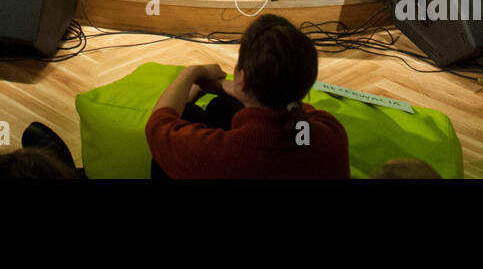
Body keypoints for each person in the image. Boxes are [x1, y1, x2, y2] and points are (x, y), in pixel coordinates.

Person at [144, 14, 349, 179]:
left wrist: (191, 73)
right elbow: (289, 104)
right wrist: (231, 88)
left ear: (242, 79)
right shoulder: (331, 133)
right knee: (224, 107)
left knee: (189, 113)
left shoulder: (215, 154)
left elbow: (158, 126)